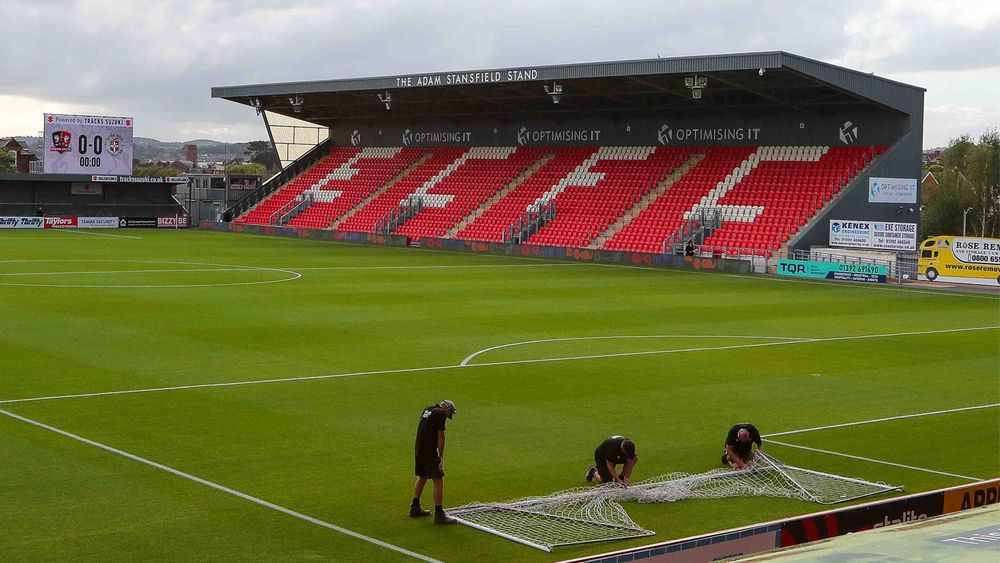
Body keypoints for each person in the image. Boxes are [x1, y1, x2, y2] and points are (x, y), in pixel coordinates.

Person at [410, 400, 457, 524]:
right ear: (447, 409)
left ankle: (415, 507)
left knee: (423, 476)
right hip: (429, 451)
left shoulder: (428, 409)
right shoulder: (440, 414)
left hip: (419, 448)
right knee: (438, 479)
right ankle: (439, 514)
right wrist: (441, 456)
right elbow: (441, 436)